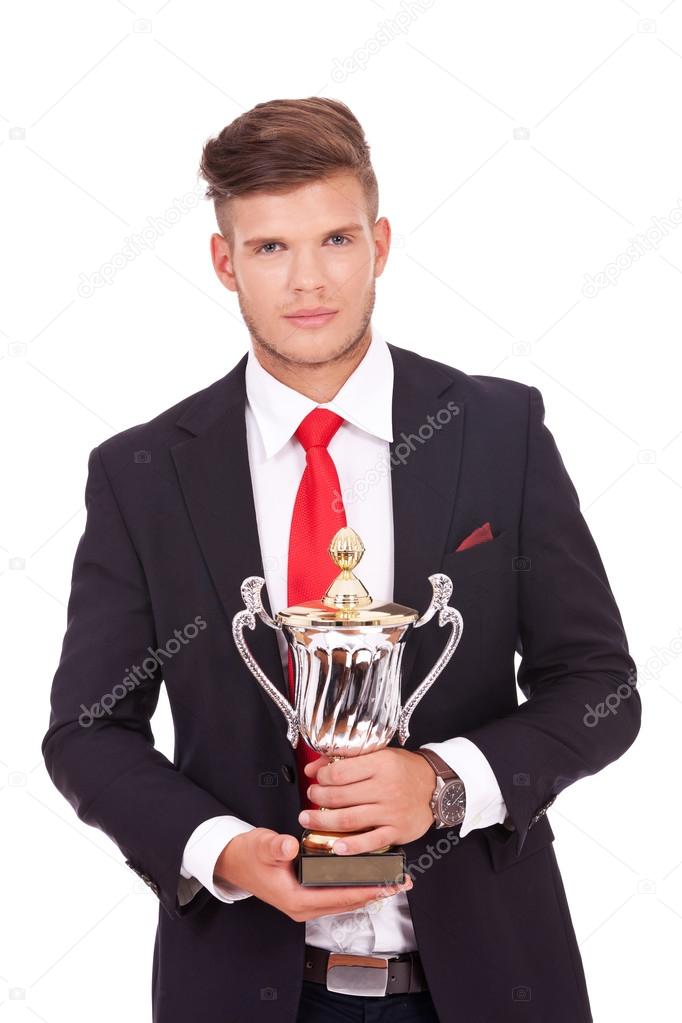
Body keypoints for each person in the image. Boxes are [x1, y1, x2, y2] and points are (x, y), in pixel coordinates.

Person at [42, 97, 641, 1023]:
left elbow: (599, 686)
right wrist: (220, 847)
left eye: (336, 239)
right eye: (271, 248)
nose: (308, 281)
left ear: (381, 243)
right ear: (223, 261)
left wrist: (444, 785)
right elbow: (88, 731)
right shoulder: (144, 472)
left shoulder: (498, 429)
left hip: (488, 982)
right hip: (246, 987)